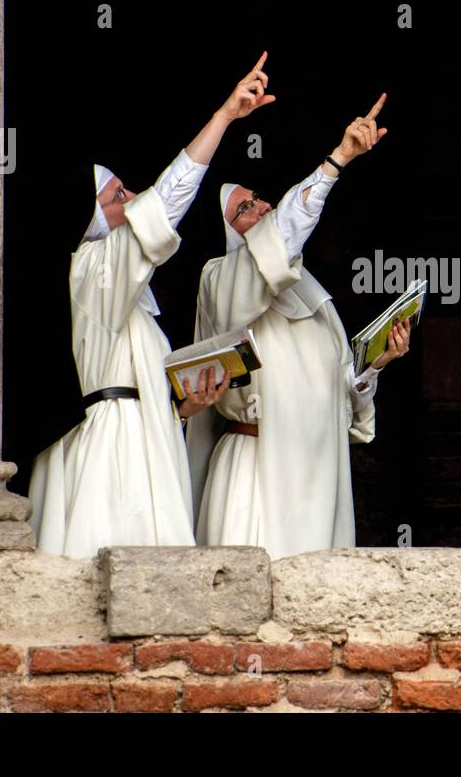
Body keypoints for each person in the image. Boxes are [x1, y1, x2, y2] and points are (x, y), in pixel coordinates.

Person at [27, 54, 274, 560]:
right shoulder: (91, 266)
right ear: (90, 217)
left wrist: (185, 404)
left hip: (147, 437)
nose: (133, 197)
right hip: (112, 453)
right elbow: (166, 203)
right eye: (118, 194)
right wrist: (224, 116)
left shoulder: (124, 288)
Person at [186, 93, 411, 559]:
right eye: (245, 207)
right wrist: (338, 160)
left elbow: (342, 398)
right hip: (256, 474)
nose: (262, 205)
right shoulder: (220, 279)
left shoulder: (312, 294)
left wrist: (377, 365)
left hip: (318, 475)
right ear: (228, 232)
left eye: (259, 197)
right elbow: (286, 230)